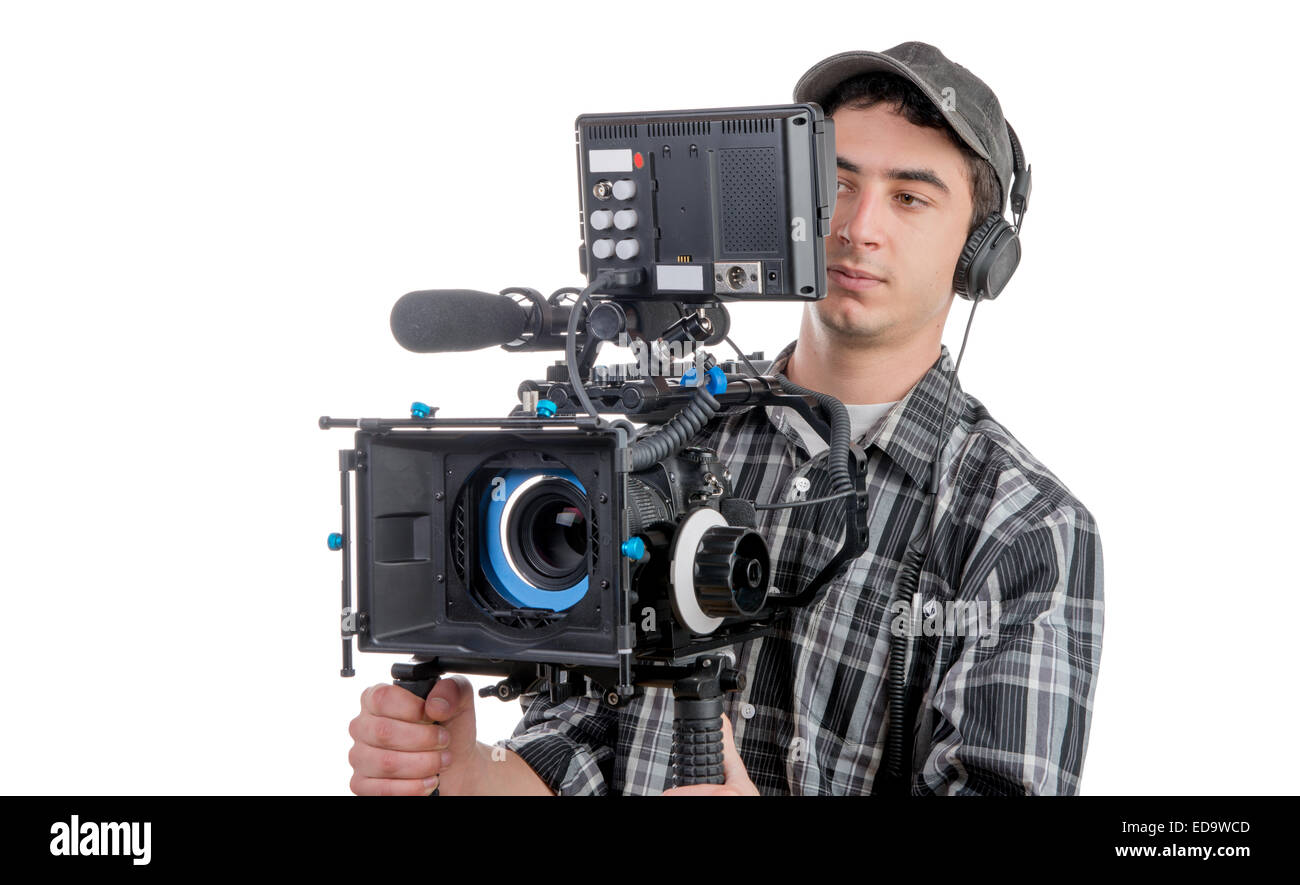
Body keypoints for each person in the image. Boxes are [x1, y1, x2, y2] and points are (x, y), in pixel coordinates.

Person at [346, 41, 1104, 796]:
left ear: (980, 253)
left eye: (910, 197)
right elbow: (581, 728)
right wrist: (474, 770)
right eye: (835, 184)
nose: (858, 226)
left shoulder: (1025, 526)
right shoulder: (663, 447)